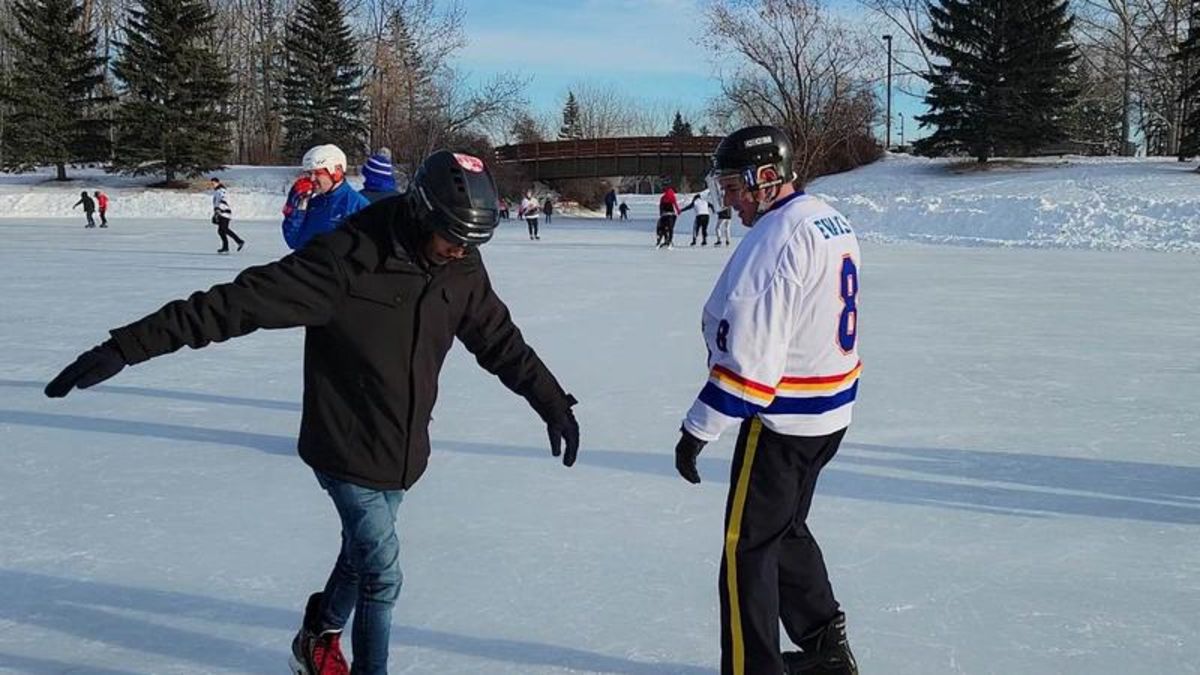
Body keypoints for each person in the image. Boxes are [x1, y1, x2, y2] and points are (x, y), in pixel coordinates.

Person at [43, 149, 582, 675]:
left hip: (404, 446)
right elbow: (233, 304)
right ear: (422, 212)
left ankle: (318, 630)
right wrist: (125, 347)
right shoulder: (347, 260)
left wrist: (552, 402)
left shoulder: (459, 262)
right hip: (343, 445)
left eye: (472, 243)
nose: (461, 252)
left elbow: (499, 339)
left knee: (362, 550)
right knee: (382, 575)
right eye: (454, 240)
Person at [672, 126, 861, 675]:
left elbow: (752, 358)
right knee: (786, 529)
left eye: (732, 185)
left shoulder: (775, 237)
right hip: (830, 412)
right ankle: (826, 646)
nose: (726, 198)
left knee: (747, 548)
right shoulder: (828, 216)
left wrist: (698, 427)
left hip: (783, 420)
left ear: (765, 178)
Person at [282, 144, 370, 250]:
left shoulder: (357, 205)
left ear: (337, 172)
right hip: (309, 265)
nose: (312, 179)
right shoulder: (313, 203)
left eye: (318, 173)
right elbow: (294, 242)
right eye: (310, 173)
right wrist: (294, 208)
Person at [209, 177, 245, 254]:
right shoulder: (218, 191)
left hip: (224, 213)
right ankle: (226, 247)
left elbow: (220, 200)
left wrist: (217, 209)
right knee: (221, 231)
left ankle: (239, 241)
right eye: (211, 184)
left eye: (213, 183)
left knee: (224, 229)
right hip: (221, 212)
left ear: (217, 183)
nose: (212, 185)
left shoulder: (220, 191)